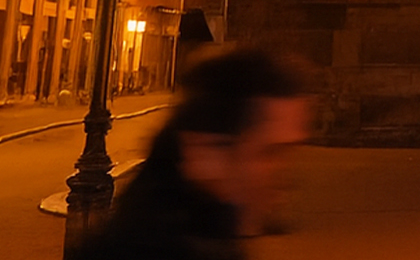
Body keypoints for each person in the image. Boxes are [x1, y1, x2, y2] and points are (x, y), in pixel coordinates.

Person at [76, 45, 311, 259]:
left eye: (290, 152)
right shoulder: (153, 247)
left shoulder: (202, 236)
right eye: (270, 153)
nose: (286, 179)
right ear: (206, 152)